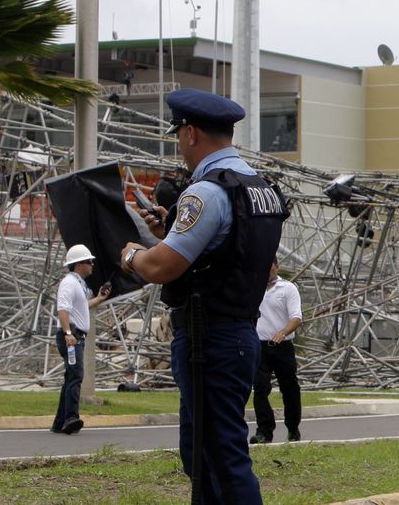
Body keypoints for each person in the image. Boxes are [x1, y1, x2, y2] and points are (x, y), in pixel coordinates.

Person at [120, 88, 287, 503]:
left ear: (191, 133)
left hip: (207, 339)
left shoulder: (205, 192)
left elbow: (162, 268)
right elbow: (245, 257)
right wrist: (171, 230)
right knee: (204, 458)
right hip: (237, 333)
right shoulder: (257, 187)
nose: (179, 144)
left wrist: (133, 256)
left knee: (221, 460)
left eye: (178, 135)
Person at [53, 243, 110, 435]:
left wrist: (100, 299)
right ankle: (71, 417)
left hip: (76, 336)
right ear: (79, 265)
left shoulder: (78, 284)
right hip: (72, 336)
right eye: (89, 262)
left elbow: (82, 307)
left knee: (71, 376)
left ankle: (60, 421)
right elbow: (63, 309)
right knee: (75, 376)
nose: (92, 265)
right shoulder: (69, 283)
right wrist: (68, 334)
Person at [250, 258, 303, 444]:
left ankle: (293, 426)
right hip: (259, 346)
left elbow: (296, 317)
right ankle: (264, 430)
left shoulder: (287, 288)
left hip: (282, 346)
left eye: (269, 266)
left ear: (276, 266)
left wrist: (283, 333)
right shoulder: (253, 289)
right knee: (260, 387)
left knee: (289, 387)